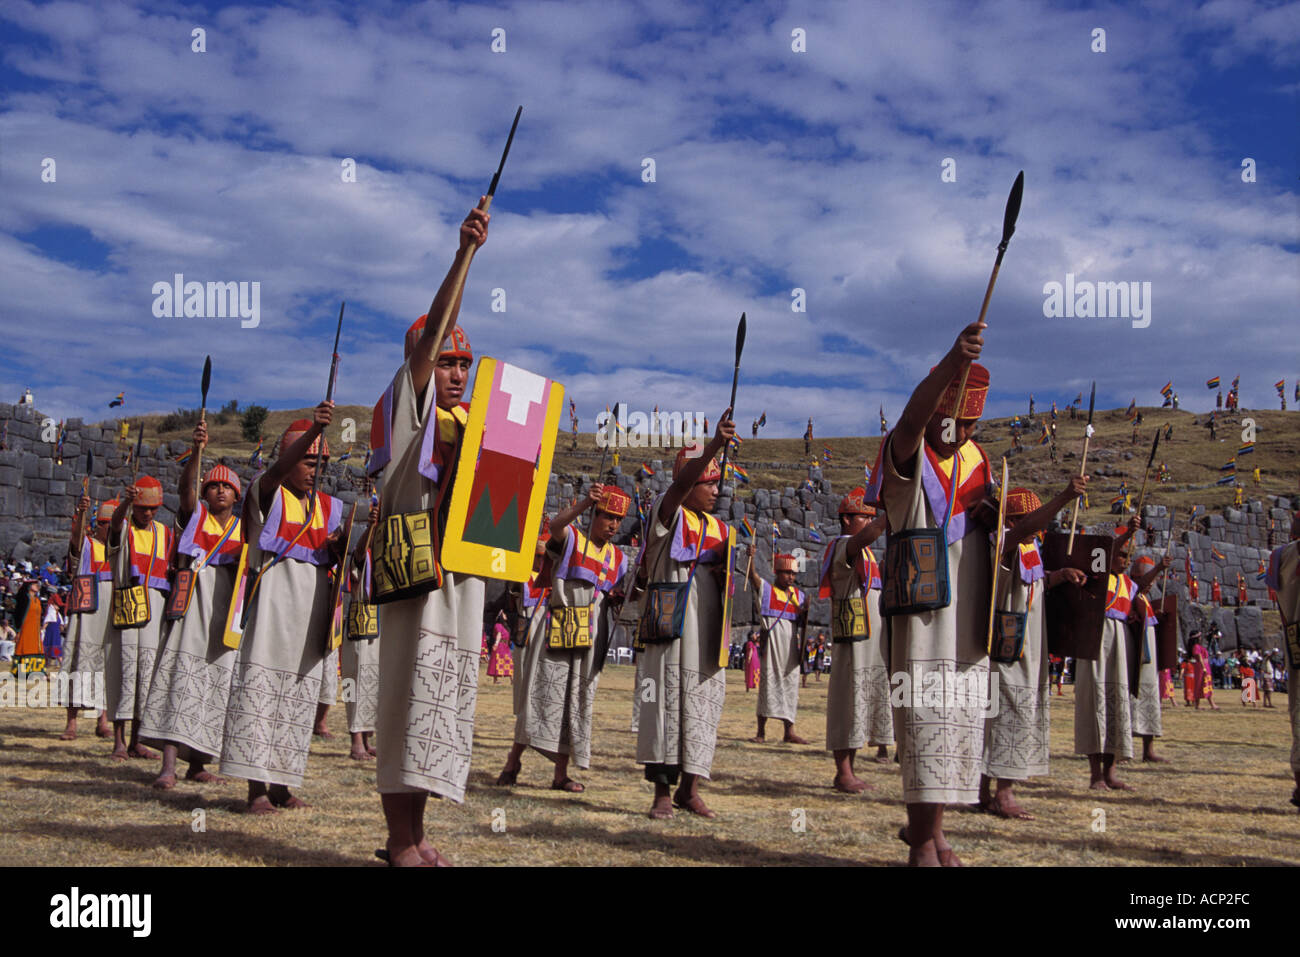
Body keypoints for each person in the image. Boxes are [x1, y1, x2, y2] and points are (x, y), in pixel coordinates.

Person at [371, 203, 492, 866]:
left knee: (434, 699)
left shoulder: (473, 423)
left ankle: (416, 833)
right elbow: (427, 340)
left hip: (459, 571)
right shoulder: (404, 403)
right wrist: (464, 255)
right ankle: (397, 839)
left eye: (462, 363)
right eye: (444, 359)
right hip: (412, 563)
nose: (453, 370)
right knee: (402, 696)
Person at [864, 321, 994, 866]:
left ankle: (934, 830)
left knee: (957, 724)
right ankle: (920, 839)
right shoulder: (910, 459)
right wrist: (949, 361)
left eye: (967, 423)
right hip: (920, 612)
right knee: (922, 723)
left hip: (966, 610)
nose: (957, 432)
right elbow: (909, 423)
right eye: (950, 418)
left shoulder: (978, 464)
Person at [220, 406, 344, 813]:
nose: (315, 469)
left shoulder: (328, 507)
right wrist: (313, 433)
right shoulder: (266, 492)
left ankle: (283, 786)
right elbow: (275, 473)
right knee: (263, 690)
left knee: (297, 697)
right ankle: (256, 789)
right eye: (310, 461)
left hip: (310, 611)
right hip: (271, 607)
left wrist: (355, 543)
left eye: (322, 462)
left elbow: (339, 559)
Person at [497, 484, 629, 793]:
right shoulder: (573, 539)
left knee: (575, 701)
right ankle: (512, 762)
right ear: (594, 515)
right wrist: (585, 502)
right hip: (558, 628)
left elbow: (618, 594)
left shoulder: (618, 558)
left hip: (589, 637)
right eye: (607, 516)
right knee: (540, 695)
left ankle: (560, 774)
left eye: (618, 520)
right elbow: (555, 527)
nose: (612, 525)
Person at [636, 421, 735, 820]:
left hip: (708, 629)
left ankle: (690, 789)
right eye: (708, 482)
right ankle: (662, 791)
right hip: (671, 625)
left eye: (717, 484)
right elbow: (678, 489)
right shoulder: (667, 515)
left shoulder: (721, 529)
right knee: (663, 702)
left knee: (703, 705)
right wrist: (713, 446)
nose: (715, 490)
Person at [140, 424, 244, 789]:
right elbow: (185, 491)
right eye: (213, 485)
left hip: (224, 610)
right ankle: (167, 765)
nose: (219, 490)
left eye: (226, 486)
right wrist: (197, 452)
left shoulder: (242, 530)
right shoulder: (195, 518)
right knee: (180, 675)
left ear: (236, 495)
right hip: (192, 604)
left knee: (215, 681)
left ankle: (198, 763)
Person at [979, 478, 1089, 819]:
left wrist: (1061, 575)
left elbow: (1035, 582)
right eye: (1029, 521)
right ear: (1011, 521)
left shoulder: (1031, 548)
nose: (1038, 528)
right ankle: (1001, 792)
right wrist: (1065, 496)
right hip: (1008, 640)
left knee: (1015, 709)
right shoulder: (1002, 543)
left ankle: (986, 791)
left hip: (1032, 644)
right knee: (1006, 711)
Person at [818, 488, 891, 793]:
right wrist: (891, 512)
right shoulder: (844, 546)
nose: (869, 521)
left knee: (863, 697)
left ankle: (852, 768)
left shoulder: (867, 554)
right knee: (848, 695)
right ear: (847, 519)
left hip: (871, 637)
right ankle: (843, 772)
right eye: (865, 516)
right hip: (853, 633)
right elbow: (869, 535)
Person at [105, 476, 174, 761]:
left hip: (154, 608)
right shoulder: (125, 530)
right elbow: (114, 526)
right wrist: (124, 503)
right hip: (127, 607)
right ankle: (119, 741)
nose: (147, 513)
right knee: (124, 672)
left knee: (147, 675)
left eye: (153, 508)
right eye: (143, 508)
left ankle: (138, 739)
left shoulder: (164, 533)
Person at [1075, 519, 1141, 791]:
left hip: (1119, 642)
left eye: (1128, 556)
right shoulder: (1097, 573)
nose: (1125, 560)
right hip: (1095, 638)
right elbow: (1103, 552)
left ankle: (1111, 772)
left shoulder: (1129, 585)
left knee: (1116, 703)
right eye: (1121, 554)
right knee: (1096, 701)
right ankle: (1096, 775)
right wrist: (1126, 533)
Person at [60, 498, 115, 740]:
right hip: (86, 614)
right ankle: (71, 722)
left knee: (104, 667)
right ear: (98, 525)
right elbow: (76, 538)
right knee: (77, 664)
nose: (112, 530)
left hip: (110, 616)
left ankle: (102, 719)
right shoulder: (88, 546)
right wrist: (82, 513)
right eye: (107, 525)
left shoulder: (120, 551)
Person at [747, 551, 809, 744]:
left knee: (791, 687)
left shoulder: (798, 596)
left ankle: (789, 731)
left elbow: (803, 621)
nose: (791, 577)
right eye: (787, 573)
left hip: (790, 648)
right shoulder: (768, 590)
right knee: (768, 684)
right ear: (777, 573)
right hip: (773, 646)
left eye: (793, 574)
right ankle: (761, 732)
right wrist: (751, 558)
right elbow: (753, 577)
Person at [1129, 553, 1171, 763]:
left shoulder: (1146, 600)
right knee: (1130, 702)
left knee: (1150, 701)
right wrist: (1159, 568)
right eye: (1148, 578)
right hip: (1134, 660)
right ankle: (1124, 749)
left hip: (1150, 663)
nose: (1151, 583)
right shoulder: (1129, 592)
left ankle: (1148, 749)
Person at [1191, 632, 1219, 710]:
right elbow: (1200, 658)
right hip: (1201, 667)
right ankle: (1209, 704)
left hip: (1205, 665)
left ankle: (1206, 704)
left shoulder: (1200, 646)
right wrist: (1204, 668)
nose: (1201, 638)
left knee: (1207, 684)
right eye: (1199, 637)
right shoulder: (1196, 646)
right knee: (1200, 684)